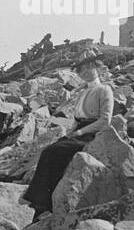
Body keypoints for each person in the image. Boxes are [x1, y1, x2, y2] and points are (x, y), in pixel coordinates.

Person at [21, 51, 114, 217]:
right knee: (51, 152)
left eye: (89, 67)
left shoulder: (104, 90)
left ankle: (38, 200)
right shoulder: (82, 93)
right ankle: (42, 204)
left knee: (52, 152)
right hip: (78, 132)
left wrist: (79, 132)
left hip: (92, 135)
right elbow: (77, 119)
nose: (85, 72)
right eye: (81, 70)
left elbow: (104, 121)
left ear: (97, 68)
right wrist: (70, 130)